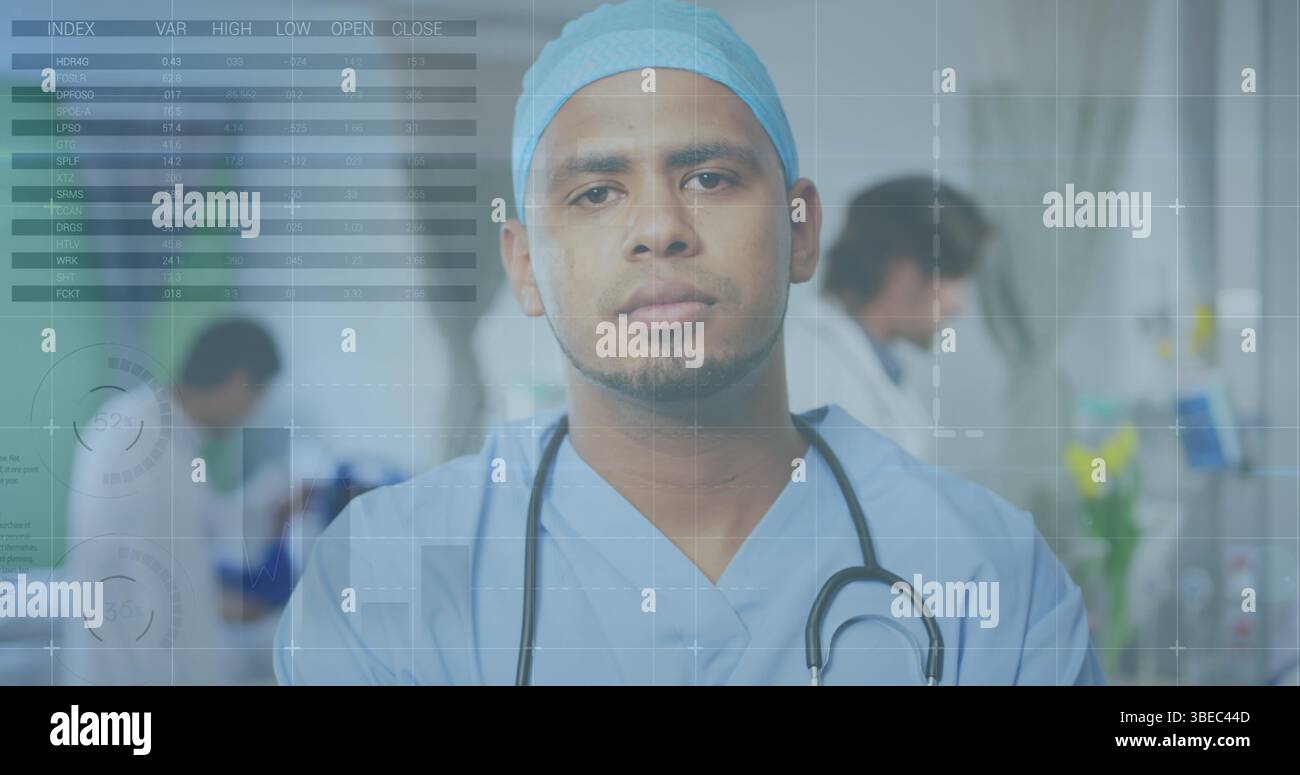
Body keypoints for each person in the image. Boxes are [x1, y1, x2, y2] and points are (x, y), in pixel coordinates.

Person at [274, 0, 1102, 685]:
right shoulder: (387, 577)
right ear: (524, 268)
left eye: (709, 179)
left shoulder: (991, 574)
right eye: (597, 192)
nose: (660, 229)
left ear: (800, 229)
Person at [61, 318, 291, 684]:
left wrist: (274, 512)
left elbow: (202, 526)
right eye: (256, 396)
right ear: (237, 382)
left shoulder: (136, 423)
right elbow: (174, 612)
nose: (251, 413)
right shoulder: (157, 459)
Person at [786, 177, 991, 462]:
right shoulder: (812, 368)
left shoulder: (869, 366)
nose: (961, 304)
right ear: (902, 273)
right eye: (955, 278)